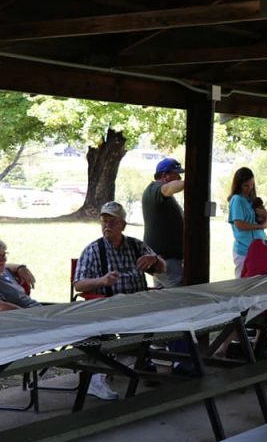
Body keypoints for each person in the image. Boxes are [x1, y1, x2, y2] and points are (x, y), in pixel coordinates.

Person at [73, 201, 166, 401]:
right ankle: (98, 376)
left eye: (112, 221)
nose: (107, 225)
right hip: (108, 309)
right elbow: (79, 285)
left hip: (139, 307)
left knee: (176, 321)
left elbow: (161, 269)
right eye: (104, 221)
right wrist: (102, 281)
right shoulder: (94, 250)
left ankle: (144, 359)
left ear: (123, 225)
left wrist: (155, 259)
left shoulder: (135, 245)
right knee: (107, 336)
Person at [142, 157, 185, 288]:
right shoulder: (155, 189)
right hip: (166, 260)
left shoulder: (161, 196)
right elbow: (169, 188)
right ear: (165, 176)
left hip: (164, 259)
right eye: (176, 174)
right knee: (179, 296)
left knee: (163, 295)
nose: (179, 178)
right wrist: (192, 181)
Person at [228, 167, 267, 277]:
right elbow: (239, 224)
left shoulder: (252, 199)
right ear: (239, 184)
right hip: (244, 249)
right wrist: (259, 227)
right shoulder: (237, 199)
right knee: (243, 282)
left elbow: (265, 217)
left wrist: (265, 219)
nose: (249, 188)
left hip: (259, 248)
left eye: (251, 185)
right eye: (246, 185)